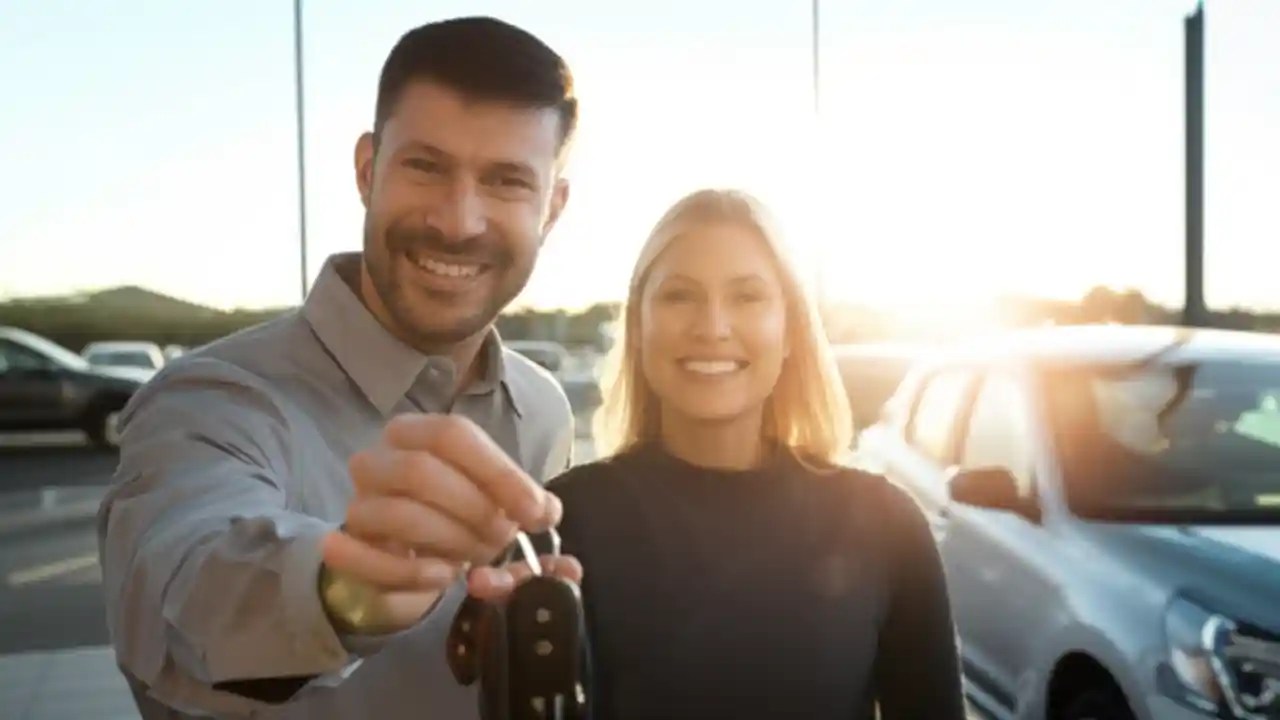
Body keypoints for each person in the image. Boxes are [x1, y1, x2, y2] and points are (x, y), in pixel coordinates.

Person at [97, 16, 585, 719]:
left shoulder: (542, 411)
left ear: (553, 208)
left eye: (507, 181)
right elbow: (177, 598)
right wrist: (347, 592)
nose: (458, 221)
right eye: (425, 166)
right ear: (366, 170)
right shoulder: (209, 401)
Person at [543, 189, 969, 718]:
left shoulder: (886, 524)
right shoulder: (562, 521)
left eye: (746, 297)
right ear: (637, 328)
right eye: (680, 296)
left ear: (790, 331)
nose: (712, 327)